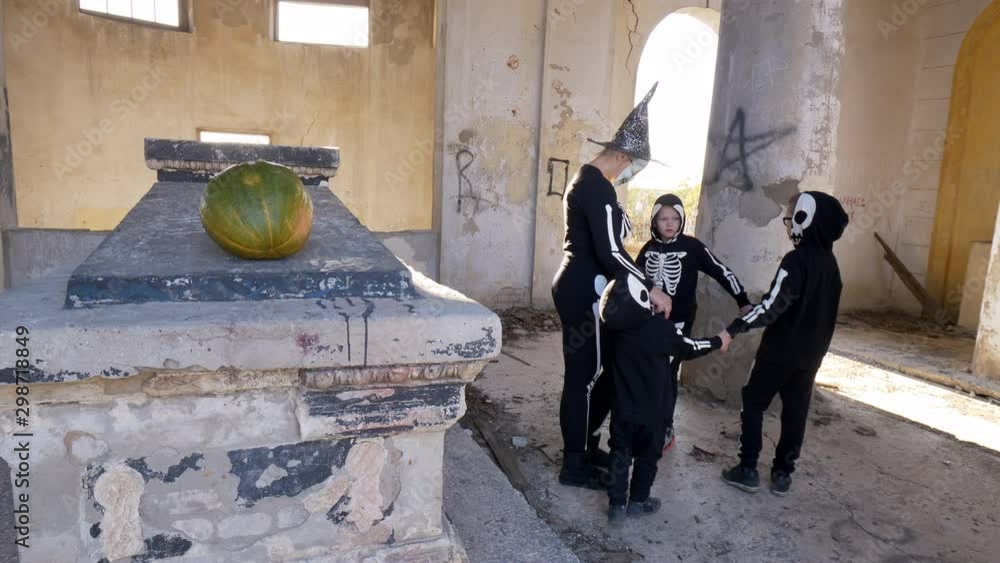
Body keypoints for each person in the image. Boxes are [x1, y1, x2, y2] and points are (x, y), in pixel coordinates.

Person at [551, 83, 671, 490]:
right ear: (622, 156)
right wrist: (649, 286)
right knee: (583, 378)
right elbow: (611, 251)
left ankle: (585, 446)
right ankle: (574, 464)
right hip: (584, 287)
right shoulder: (596, 185)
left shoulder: (592, 183)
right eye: (632, 166)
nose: (629, 174)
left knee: (597, 373)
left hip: (586, 285)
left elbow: (612, 240)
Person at [720, 191, 849, 496]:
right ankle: (782, 473)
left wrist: (735, 328)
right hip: (811, 356)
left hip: (779, 352)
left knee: (753, 401)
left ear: (805, 219)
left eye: (791, 218)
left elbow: (772, 307)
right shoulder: (831, 265)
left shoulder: (796, 261)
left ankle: (747, 469)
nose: (788, 225)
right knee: (795, 411)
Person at [598, 271, 732, 526]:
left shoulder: (613, 330)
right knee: (648, 457)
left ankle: (616, 506)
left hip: (622, 409)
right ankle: (638, 502)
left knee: (619, 453)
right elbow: (689, 347)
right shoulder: (659, 329)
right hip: (654, 413)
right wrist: (718, 341)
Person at [635, 194, 753, 452]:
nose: (669, 223)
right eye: (663, 218)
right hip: (648, 323)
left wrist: (742, 300)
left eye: (674, 218)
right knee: (648, 371)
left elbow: (721, 271)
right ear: (654, 221)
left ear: (682, 220)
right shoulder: (648, 249)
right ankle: (646, 421)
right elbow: (633, 280)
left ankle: (665, 427)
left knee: (667, 373)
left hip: (678, 322)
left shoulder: (692, 247)